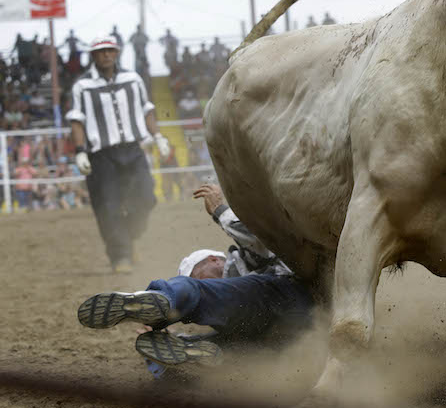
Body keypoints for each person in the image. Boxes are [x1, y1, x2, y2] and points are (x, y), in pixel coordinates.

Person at [76, 183, 312, 377]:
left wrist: (220, 212)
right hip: (291, 335)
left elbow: (264, 240)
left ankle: (162, 300)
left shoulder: (245, 258)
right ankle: (177, 356)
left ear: (213, 260)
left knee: (194, 293)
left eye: (197, 274)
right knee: (217, 342)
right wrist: (161, 342)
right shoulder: (229, 308)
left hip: (291, 296)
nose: (205, 282)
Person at [67, 35, 171, 273]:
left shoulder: (133, 79)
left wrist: (158, 137)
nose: (106, 55)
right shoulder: (82, 86)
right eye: (101, 51)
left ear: (117, 53)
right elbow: (77, 120)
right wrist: (81, 151)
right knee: (108, 206)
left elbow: (147, 110)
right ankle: (120, 256)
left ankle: (129, 237)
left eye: (110, 50)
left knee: (147, 198)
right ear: (93, 56)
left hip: (132, 150)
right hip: (101, 156)